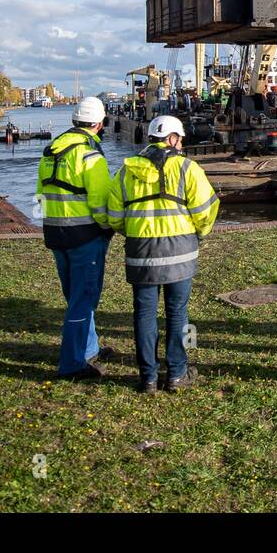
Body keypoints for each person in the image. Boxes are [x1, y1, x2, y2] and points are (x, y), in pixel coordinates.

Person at [107, 114, 218, 394]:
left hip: (140, 253)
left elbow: (114, 216)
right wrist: (198, 234)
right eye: (179, 139)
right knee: (178, 313)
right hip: (180, 253)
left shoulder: (125, 171)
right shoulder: (187, 169)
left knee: (143, 314)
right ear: (171, 139)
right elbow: (206, 209)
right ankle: (177, 373)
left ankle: (148, 378)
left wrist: (132, 231)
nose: (181, 144)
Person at [36, 97, 113, 379]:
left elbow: (40, 194)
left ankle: (89, 347)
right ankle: (72, 364)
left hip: (55, 232)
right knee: (84, 298)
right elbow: (101, 200)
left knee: (75, 295)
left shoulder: (51, 151)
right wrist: (108, 227)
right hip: (85, 236)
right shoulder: (90, 156)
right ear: (98, 123)